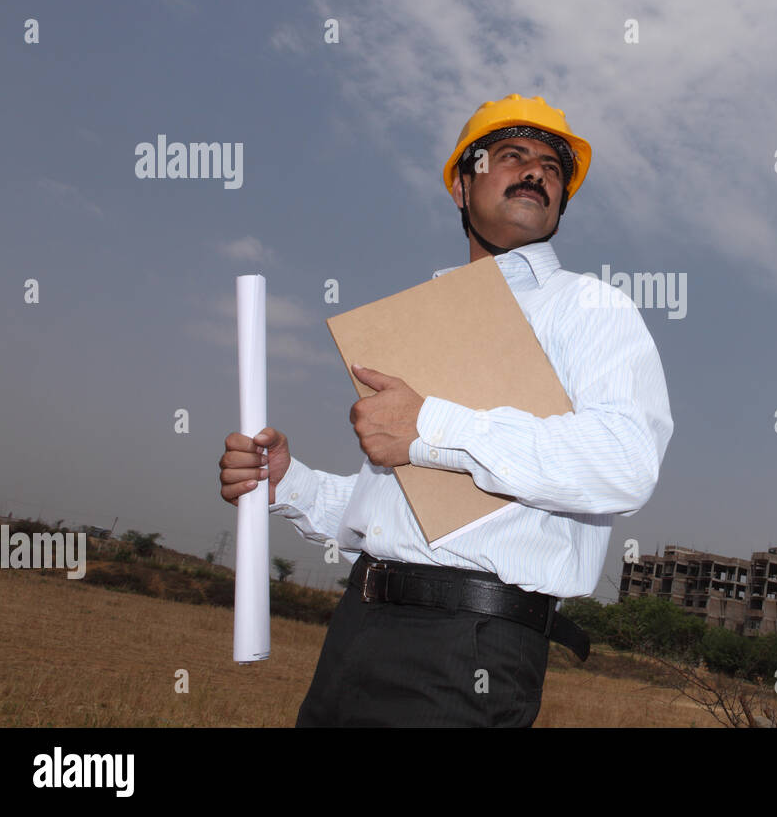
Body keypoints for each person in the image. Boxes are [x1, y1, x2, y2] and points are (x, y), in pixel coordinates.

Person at [218, 93, 673, 726]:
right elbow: (396, 514)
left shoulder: (591, 309)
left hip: (472, 652)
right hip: (358, 627)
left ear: (561, 204)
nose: (537, 171)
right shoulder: (425, 321)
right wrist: (285, 485)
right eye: (511, 155)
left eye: (552, 166)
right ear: (462, 186)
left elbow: (625, 463)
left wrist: (429, 428)